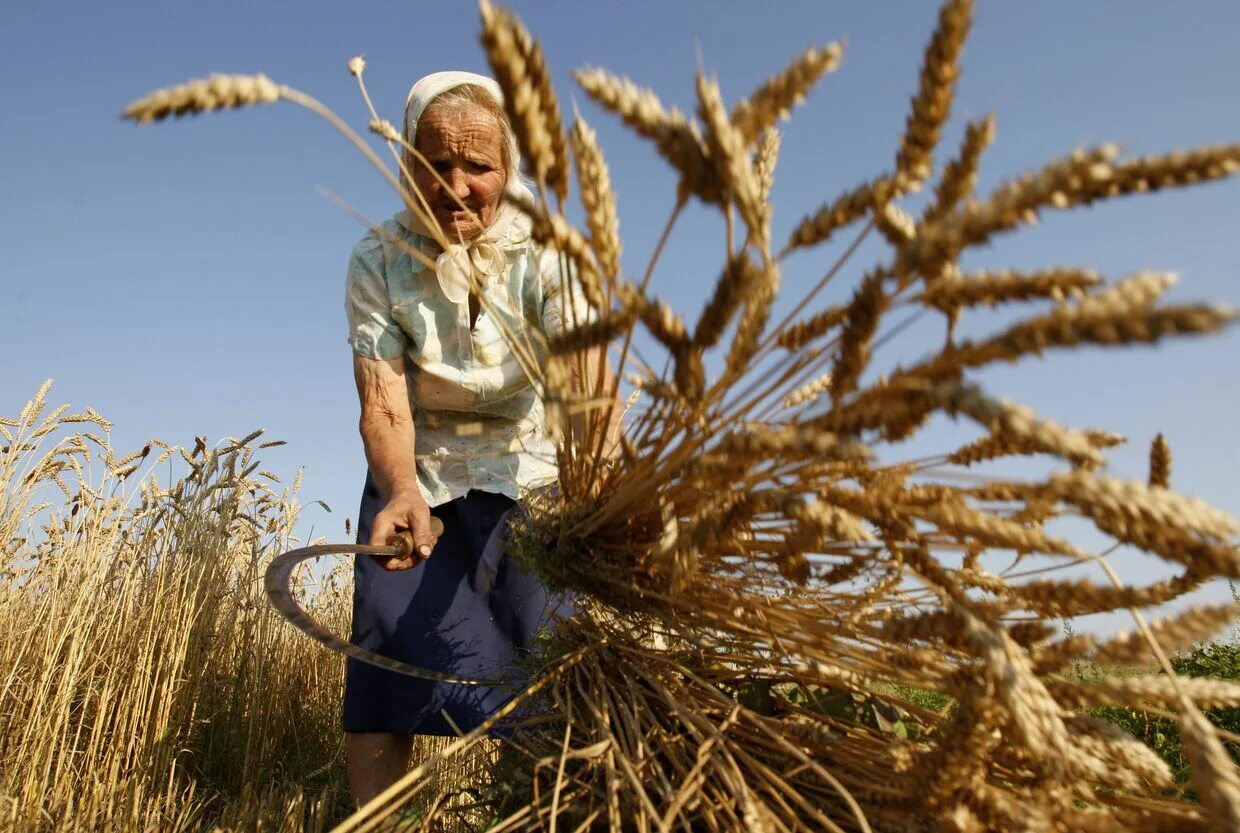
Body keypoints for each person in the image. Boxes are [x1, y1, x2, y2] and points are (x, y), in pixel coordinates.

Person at [341, 70, 615, 807]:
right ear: (406, 165)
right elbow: (384, 402)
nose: (454, 184)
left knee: (554, 669)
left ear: (508, 170)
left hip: (532, 469)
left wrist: (600, 501)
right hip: (420, 468)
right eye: (434, 163)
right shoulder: (377, 260)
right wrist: (401, 489)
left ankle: (554, 815)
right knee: (385, 665)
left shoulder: (550, 254)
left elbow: (586, 392)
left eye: (477, 165)